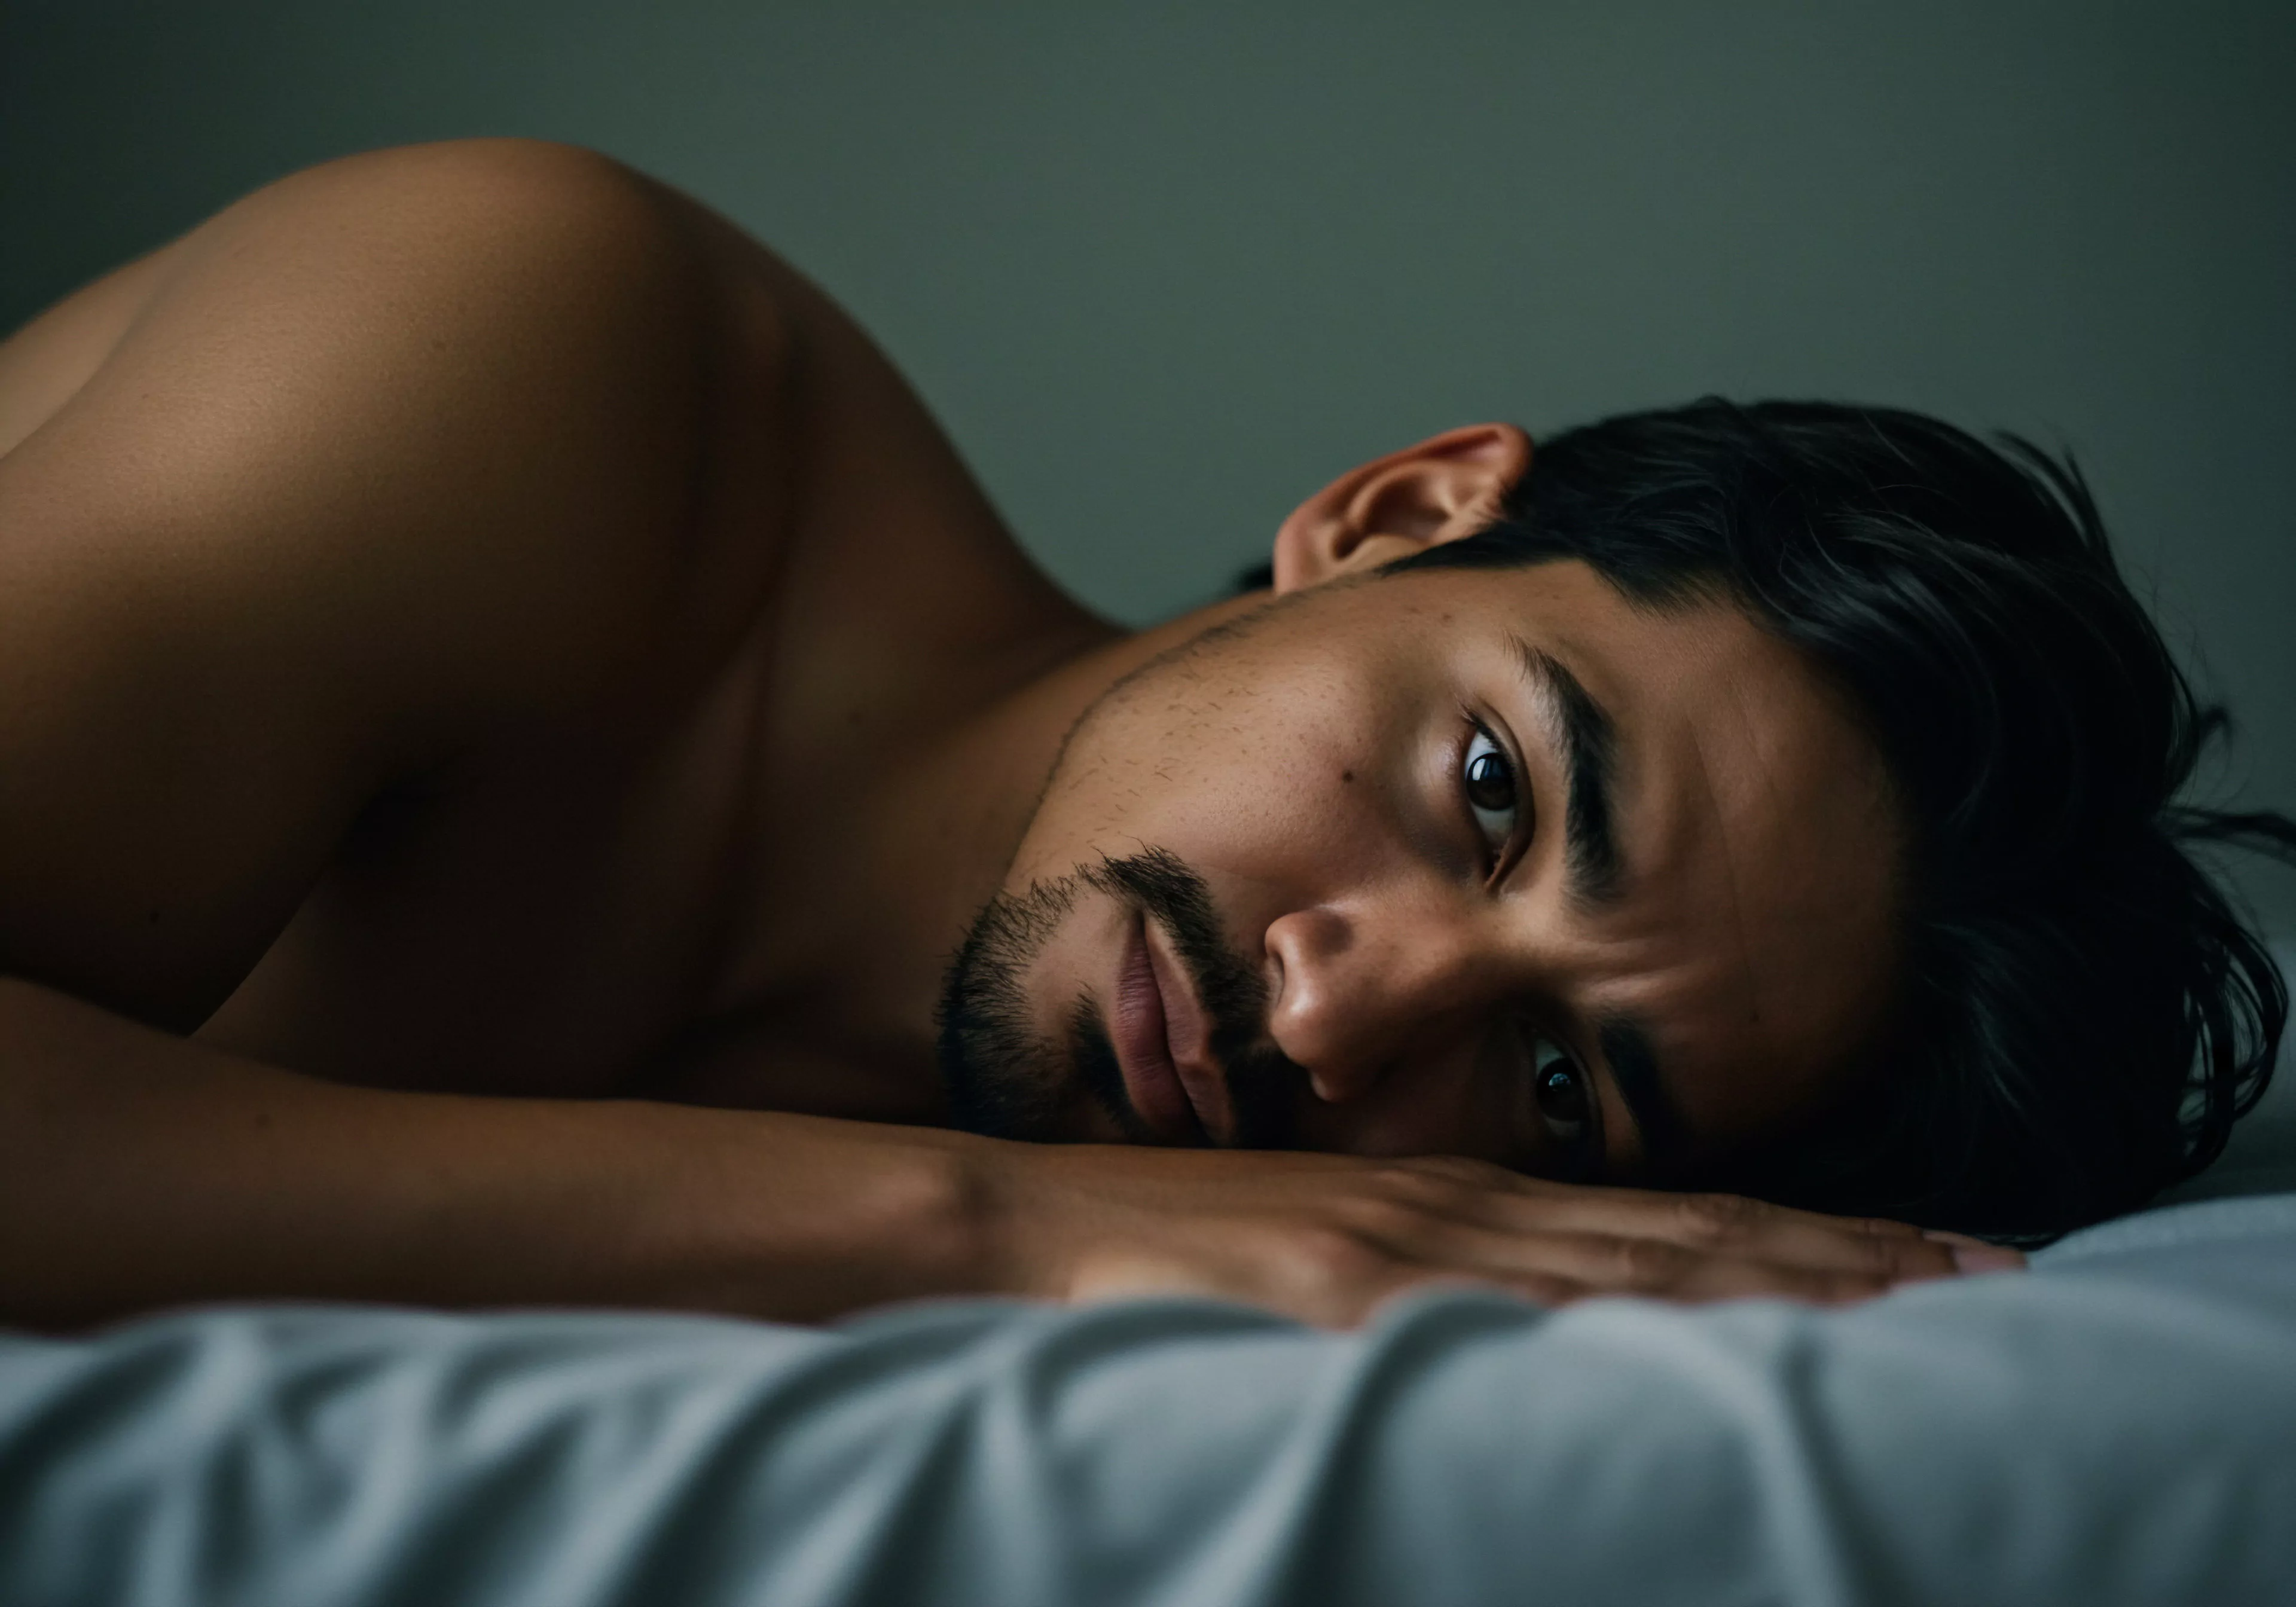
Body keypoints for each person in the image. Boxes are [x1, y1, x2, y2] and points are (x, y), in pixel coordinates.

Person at [0, 139, 2285, 1333]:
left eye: (1560, 1088)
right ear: (1393, 518)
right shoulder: (543, 352)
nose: (1341, 1018)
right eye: (1494, 795)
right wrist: (975, 1222)